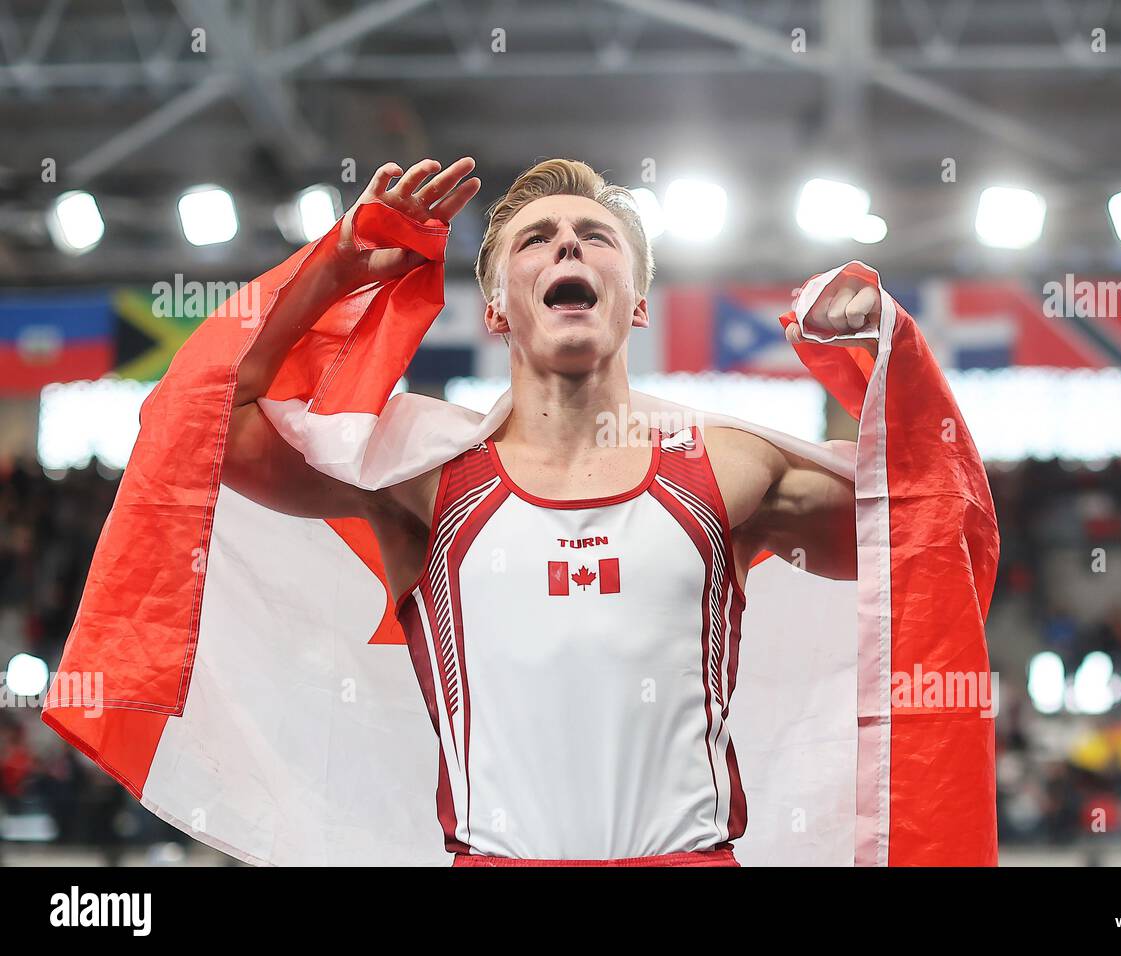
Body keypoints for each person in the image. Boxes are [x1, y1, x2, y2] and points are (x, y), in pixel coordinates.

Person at [219, 156, 882, 866]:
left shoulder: (730, 467)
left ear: (636, 302)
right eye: (536, 240)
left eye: (596, 236)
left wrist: (882, 358)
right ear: (499, 307)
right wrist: (337, 263)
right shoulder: (419, 472)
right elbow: (214, 420)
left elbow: (927, 535)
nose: (568, 243)